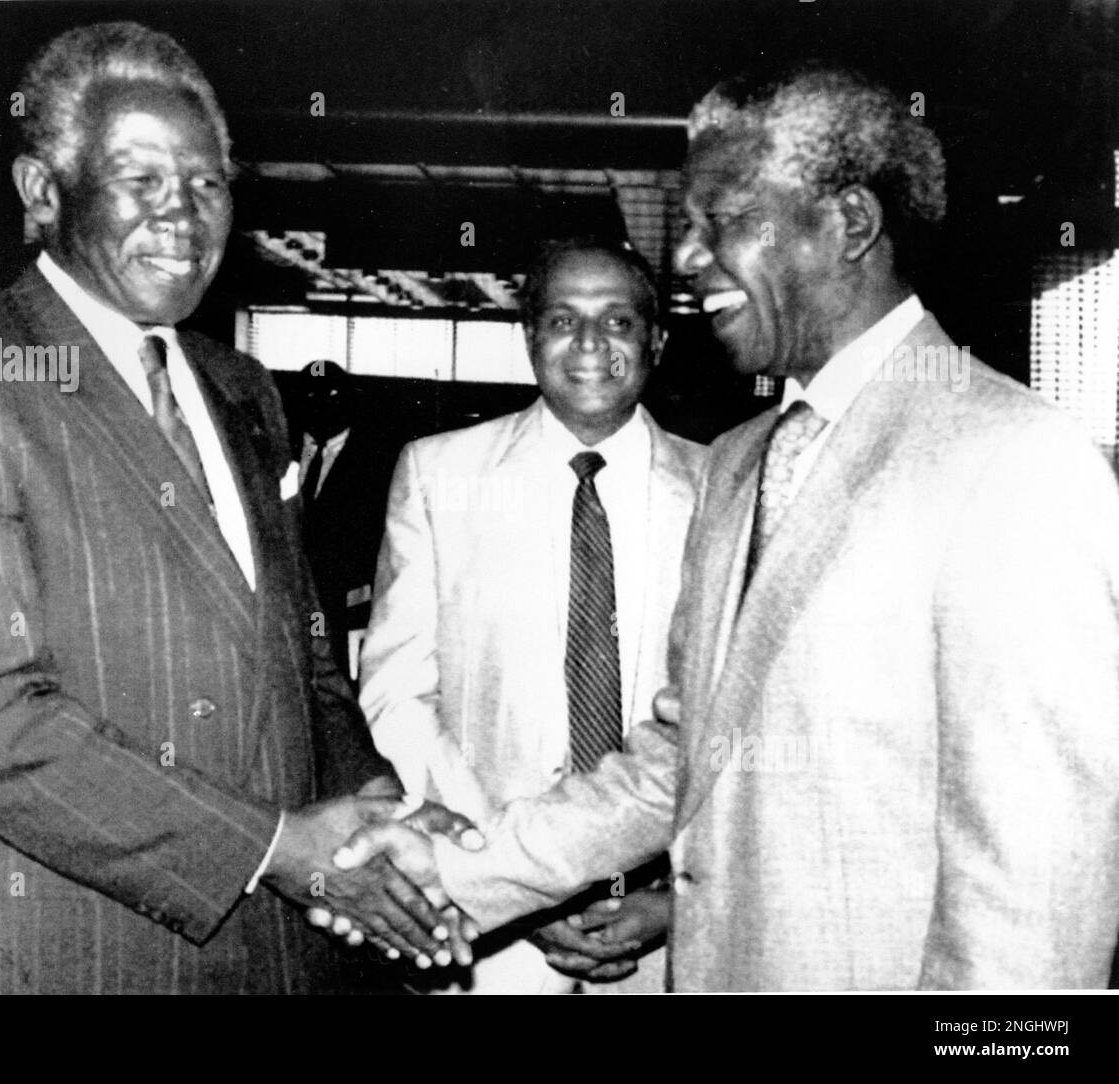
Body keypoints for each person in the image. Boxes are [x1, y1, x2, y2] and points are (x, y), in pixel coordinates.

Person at [332, 63, 1119, 990]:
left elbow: (1043, 889)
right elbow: (687, 756)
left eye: (727, 221)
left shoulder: (1012, 458)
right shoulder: (743, 461)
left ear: (850, 223)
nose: (687, 258)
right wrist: (463, 873)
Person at [0, 20, 470, 995]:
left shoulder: (243, 390)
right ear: (42, 192)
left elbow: (299, 660)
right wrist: (273, 847)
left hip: (267, 955)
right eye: (143, 179)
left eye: (208, 181)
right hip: (53, 958)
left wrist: (374, 806)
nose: (184, 214)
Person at [359, 239, 706, 992]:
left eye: (617, 321)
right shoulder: (438, 473)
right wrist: (517, 877)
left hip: (666, 929)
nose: (589, 344)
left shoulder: (725, 489)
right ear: (530, 340)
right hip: (486, 927)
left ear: (658, 340)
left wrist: (676, 902)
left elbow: (734, 729)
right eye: (562, 320)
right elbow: (396, 692)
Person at [295, 360, 401, 679]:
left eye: (332, 393)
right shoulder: (272, 449)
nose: (322, 403)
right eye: (311, 395)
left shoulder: (381, 461)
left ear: (349, 399)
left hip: (348, 601)